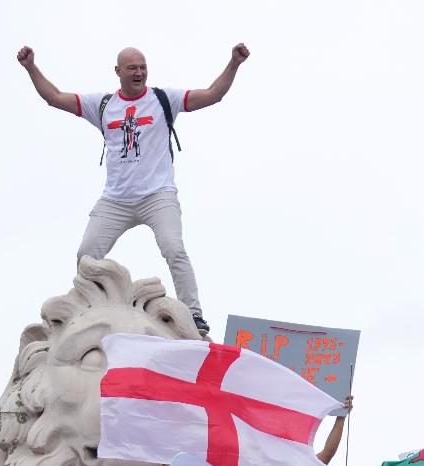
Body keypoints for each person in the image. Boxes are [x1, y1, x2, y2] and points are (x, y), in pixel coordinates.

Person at [15, 43, 249, 336]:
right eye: (132, 68)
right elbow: (54, 97)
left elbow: (214, 94)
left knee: (174, 248)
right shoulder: (102, 105)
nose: (139, 73)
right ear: (118, 72)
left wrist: (234, 63)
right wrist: (31, 67)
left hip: (157, 195)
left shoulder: (164, 99)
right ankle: (89, 310)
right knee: (87, 254)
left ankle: (193, 313)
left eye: (143, 67)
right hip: (116, 199)